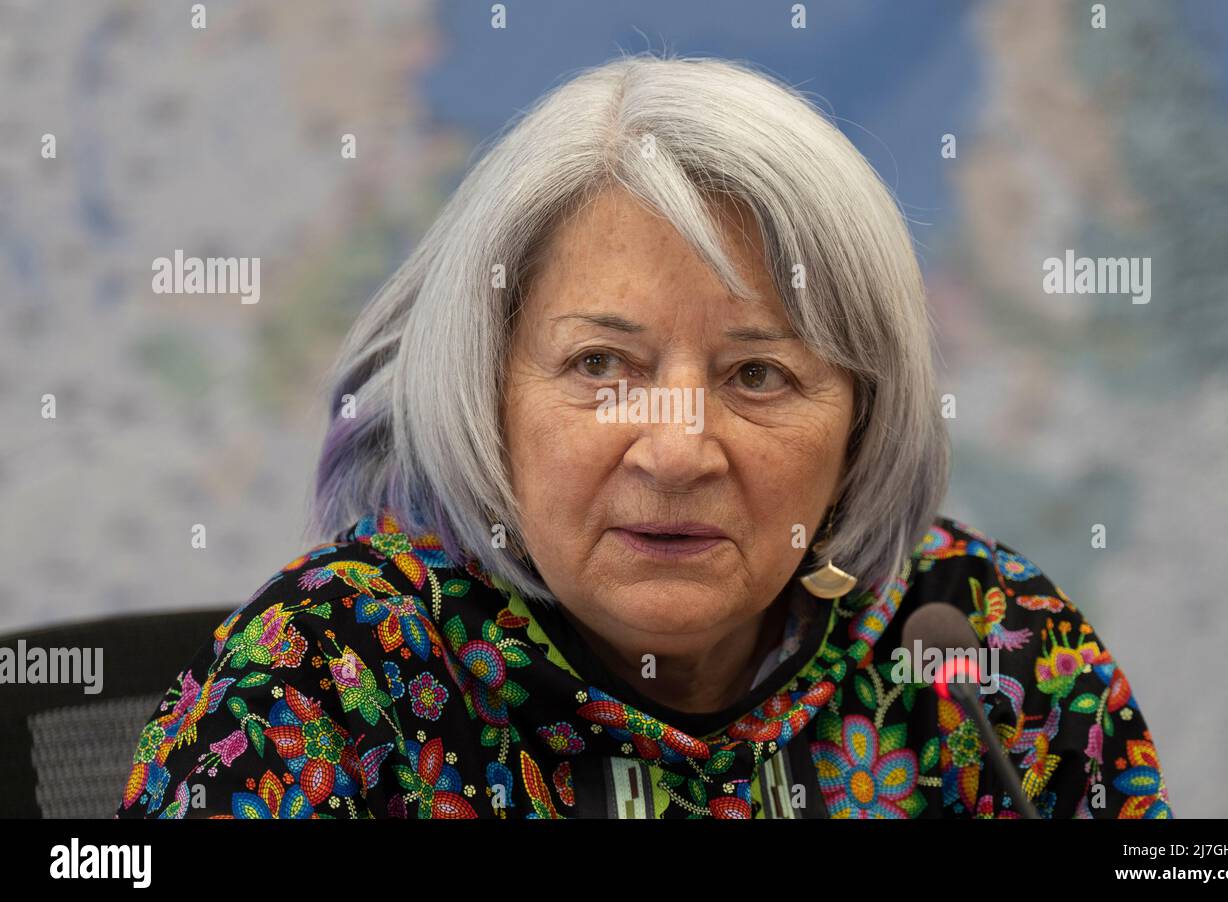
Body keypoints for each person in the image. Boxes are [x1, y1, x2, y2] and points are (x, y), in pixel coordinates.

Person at [115, 53, 1171, 819]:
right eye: (601, 366)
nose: (674, 451)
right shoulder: (336, 669)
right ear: (486, 391)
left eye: (758, 374)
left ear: (861, 421)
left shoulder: (985, 648)